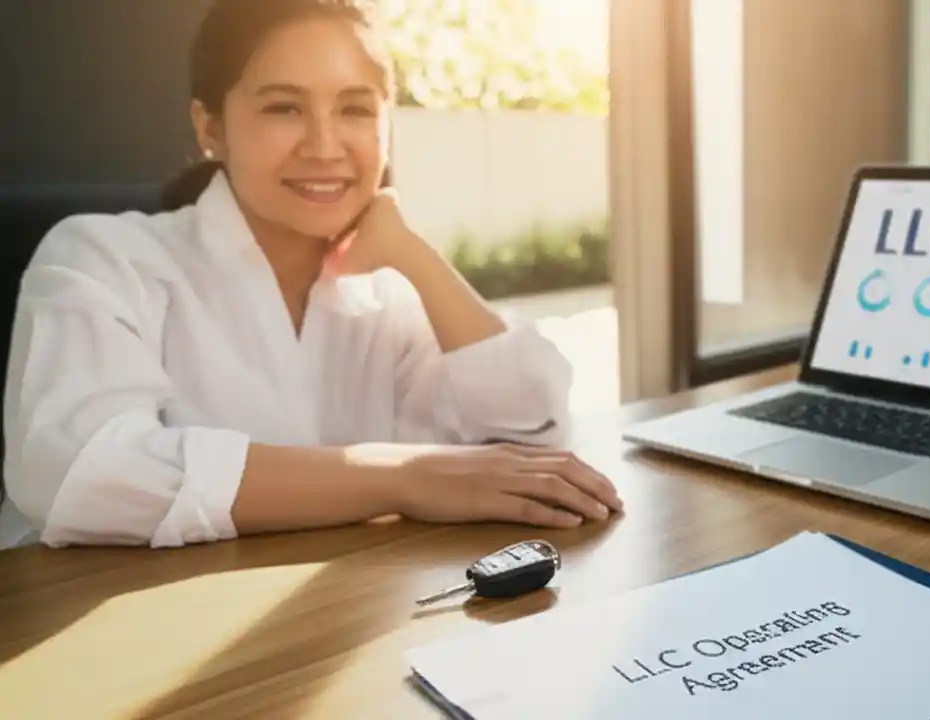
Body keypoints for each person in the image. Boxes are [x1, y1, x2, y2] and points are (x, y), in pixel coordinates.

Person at [0, 0, 621, 549]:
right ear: (209, 127)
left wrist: (416, 257)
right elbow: (77, 471)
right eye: (284, 108)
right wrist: (402, 477)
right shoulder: (102, 257)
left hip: (329, 625)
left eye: (355, 109)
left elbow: (532, 441)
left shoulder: (386, 294)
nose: (325, 146)